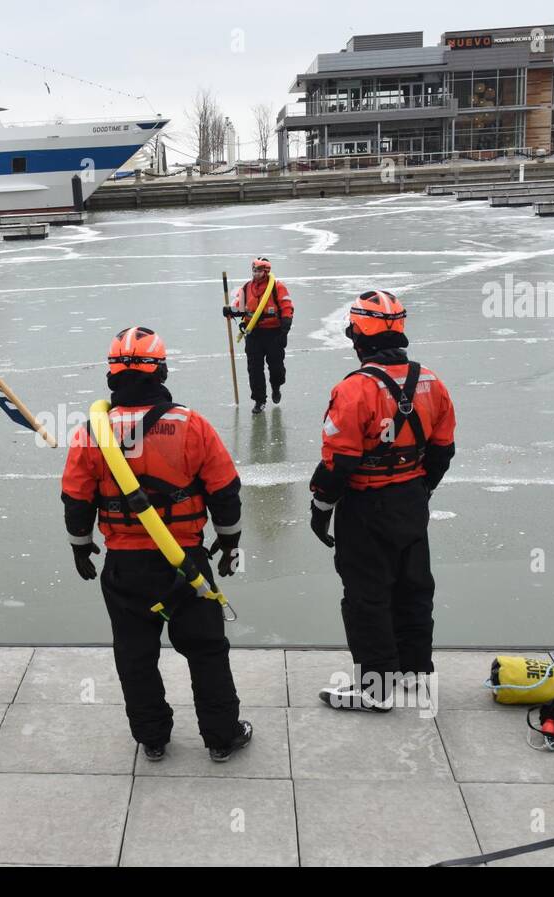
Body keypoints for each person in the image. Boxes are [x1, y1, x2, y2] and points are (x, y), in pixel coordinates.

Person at [61, 327, 252, 761]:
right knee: (206, 650)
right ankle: (222, 737)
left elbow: (75, 497)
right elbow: (225, 490)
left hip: (125, 567)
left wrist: (79, 544)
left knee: (135, 654)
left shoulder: (92, 431)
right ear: (161, 370)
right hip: (184, 562)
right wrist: (229, 541)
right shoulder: (191, 425)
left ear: (112, 376)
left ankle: (152, 738)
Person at [307, 291, 456, 711]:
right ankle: (413, 673)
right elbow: (443, 450)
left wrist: (320, 511)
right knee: (413, 588)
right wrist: (419, 491)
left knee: (366, 596)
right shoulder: (432, 382)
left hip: (365, 506)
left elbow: (339, 463)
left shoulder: (354, 391)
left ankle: (375, 690)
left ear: (357, 335)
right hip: (411, 500)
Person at [223, 257, 294, 415]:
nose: (256, 273)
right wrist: (229, 310)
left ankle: (276, 387)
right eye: (254, 270)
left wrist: (284, 331)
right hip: (253, 333)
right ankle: (259, 400)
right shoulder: (246, 288)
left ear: (266, 271)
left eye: (259, 271)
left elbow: (287, 307)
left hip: (274, 334)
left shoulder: (277, 287)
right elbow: (238, 307)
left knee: (276, 369)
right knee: (254, 369)